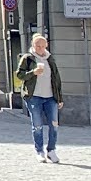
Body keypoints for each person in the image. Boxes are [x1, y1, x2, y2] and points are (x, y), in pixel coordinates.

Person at [15, 31, 62, 162]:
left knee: (54, 124)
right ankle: (39, 151)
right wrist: (33, 72)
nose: (40, 49)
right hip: (34, 96)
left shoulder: (50, 58)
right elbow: (19, 74)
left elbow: (56, 79)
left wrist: (59, 98)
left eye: (43, 46)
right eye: (38, 46)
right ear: (33, 46)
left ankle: (51, 150)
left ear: (46, 45)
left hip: (50, 97)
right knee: (37, 125)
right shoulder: (28, 58)